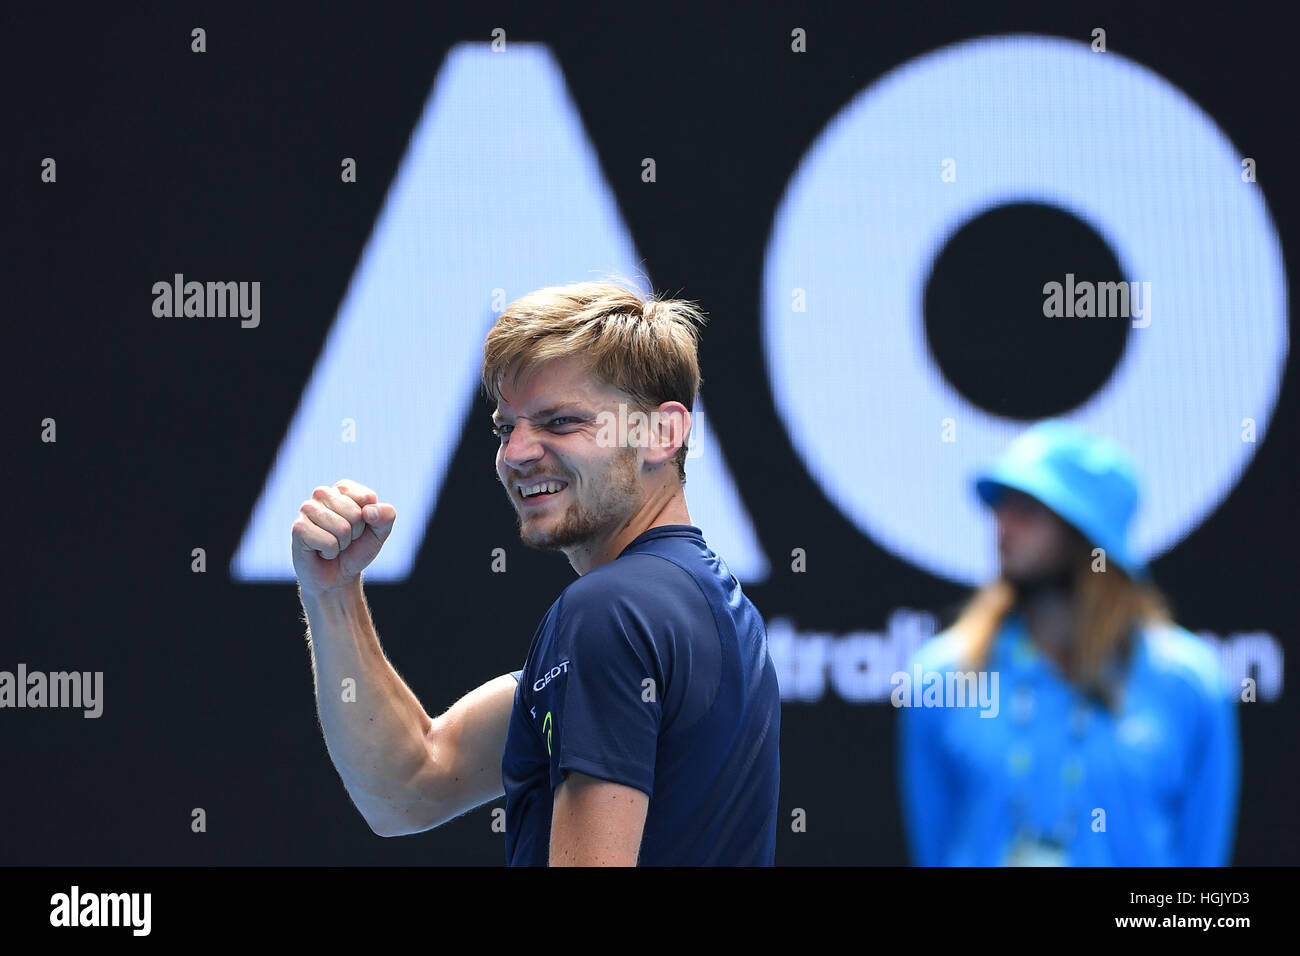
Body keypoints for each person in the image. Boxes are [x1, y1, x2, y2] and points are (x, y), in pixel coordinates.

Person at [292, 278, 781, 866]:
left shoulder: (607, 613)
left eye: (559, 422)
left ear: (661, 432)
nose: (516, 453)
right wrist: (333, 593)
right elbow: (411, 786)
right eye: (506, 427)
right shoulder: (702, 606)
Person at [897, 419, 1240, 866]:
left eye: (1029, 508)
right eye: (1002, 505)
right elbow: (934, 847)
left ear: (1087, 533)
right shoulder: (940, 676)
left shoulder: (1189, 683)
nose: (1003, 524)